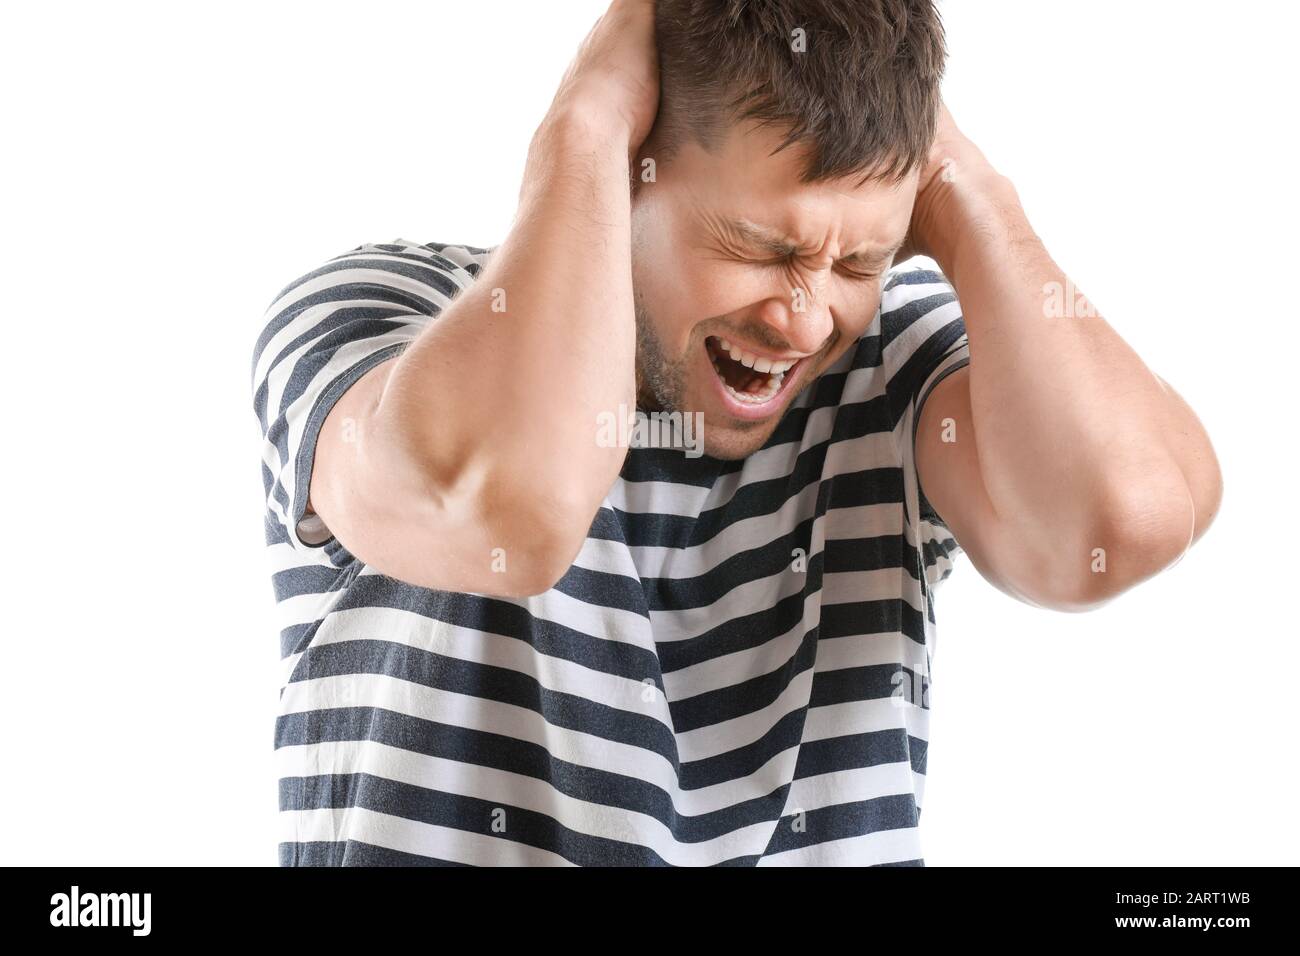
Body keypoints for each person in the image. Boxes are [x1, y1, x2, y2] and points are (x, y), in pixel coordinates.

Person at [249, 0, 1221, 865]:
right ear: (631, 170)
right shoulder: (380, 317)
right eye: (762, 247)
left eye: (857, 263)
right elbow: (507, 504)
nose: (803, 321)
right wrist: (579, 127)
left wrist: (972, 193)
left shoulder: (890, 368)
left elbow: (1119, 519)